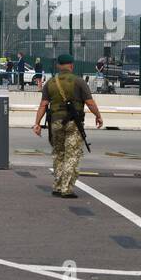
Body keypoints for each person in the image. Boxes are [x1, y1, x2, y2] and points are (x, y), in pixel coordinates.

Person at [33, 53, 103, 198]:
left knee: (58, 154)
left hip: (55, 123)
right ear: (72, 65)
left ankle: (57, 186)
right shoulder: (79, 82)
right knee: (72, 155)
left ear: (58, 66)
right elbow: (90, 103)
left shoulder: (50, 83)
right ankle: (66, 188)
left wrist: (37, 123)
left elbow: (43, 105)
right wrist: (98, 116)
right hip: (73, 123)